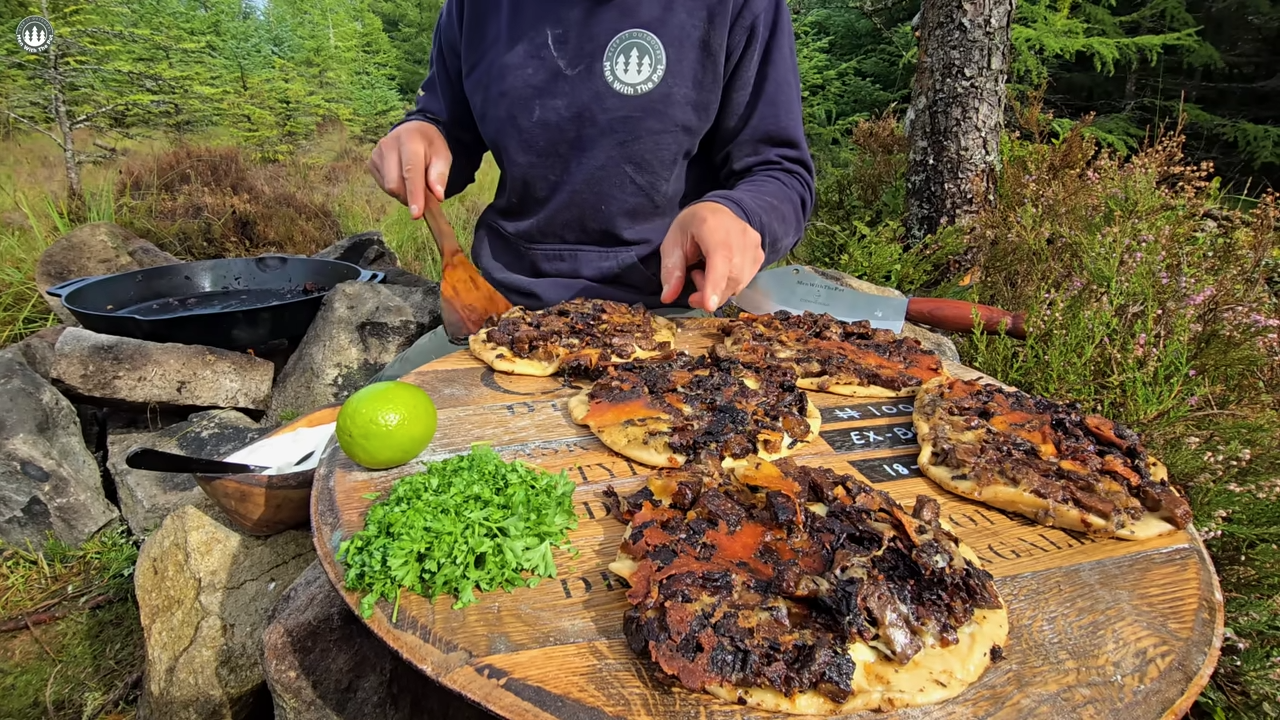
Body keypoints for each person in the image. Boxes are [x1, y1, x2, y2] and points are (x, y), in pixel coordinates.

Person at [369, 0, 816, 381]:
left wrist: (739, 212)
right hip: (500, 311)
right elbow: (448, 125)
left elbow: (779, 172)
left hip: (665, 317)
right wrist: (422, 133)